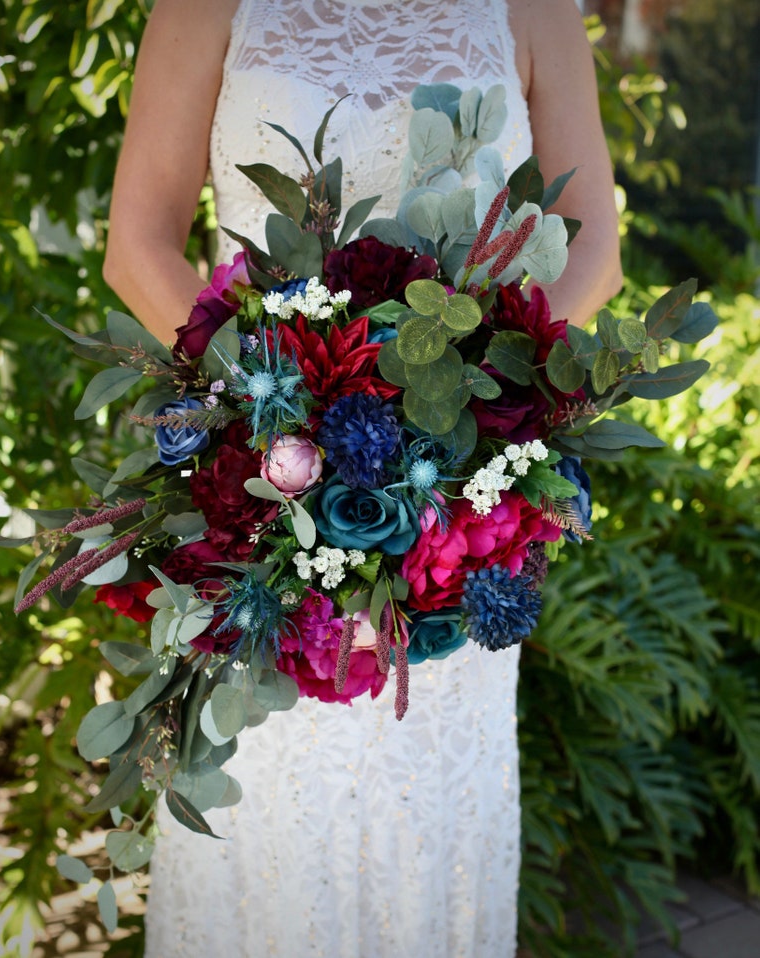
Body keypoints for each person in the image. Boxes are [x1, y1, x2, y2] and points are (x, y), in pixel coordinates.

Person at [103, 1, 622, 956]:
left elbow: (593, 249)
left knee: (428, 835)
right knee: (265, 831)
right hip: (264, 492)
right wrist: (273, 408)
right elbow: (137, 241)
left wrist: (479, 407)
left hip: (453, 511)